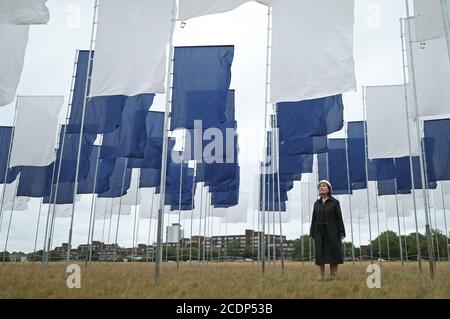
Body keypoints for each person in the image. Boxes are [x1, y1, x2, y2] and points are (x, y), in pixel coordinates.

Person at [309, 180, 346, 281]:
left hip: (332, 231)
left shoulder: (335, 202)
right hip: (319, 232)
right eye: (320, 186)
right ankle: (321, 277)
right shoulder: (316, 204)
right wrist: (311, 232)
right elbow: (314, 219)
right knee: (320, 255)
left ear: (329, 189)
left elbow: (339, 218)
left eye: (323, 186)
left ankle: (332, 277)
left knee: (333, 254)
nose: (321, 188)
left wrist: (342, 232)